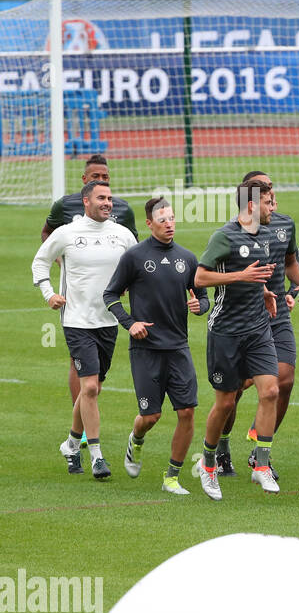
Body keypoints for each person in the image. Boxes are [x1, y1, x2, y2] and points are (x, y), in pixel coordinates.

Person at [102, 197, 210, 495]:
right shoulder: (134, 257)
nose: (169, 224)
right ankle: (135, 440)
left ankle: (172, 477)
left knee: (187, 412)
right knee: (151, 416)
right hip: (146, 349)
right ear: (149, 223)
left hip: (178, 348)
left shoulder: (187, 258)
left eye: (172, 218)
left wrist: (199, 305)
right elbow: (110, 295)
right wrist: (130, 323)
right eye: (162, 220)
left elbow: (203, 297)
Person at [32, 181, 136, 480]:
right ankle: (97, 457)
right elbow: (40, 261)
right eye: (101, 198)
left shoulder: (122, 234)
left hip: (108, 320)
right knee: (89, 387)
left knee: (95, 388)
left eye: (110, 198)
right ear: (86, 201)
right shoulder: (67, 233)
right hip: (76, 320)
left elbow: (139, 265)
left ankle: (70, 443)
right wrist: (49, 294)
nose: (107, 203)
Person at [218, 169, 299, 479]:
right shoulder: (233, 233)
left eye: (271, 186)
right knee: (232, 392)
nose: (271, 193)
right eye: (264, 189)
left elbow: (289, 262)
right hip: (243, 317)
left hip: (276, 316)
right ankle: (221, 444)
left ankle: (261, 452)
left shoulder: (283, 225)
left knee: (282, 381)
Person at [194, 178, 281, 499]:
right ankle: (208, 463)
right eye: (269, 201)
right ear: (250, 206)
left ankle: (261, 465)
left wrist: (264, 290)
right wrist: (240, 276)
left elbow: (253, 273)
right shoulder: (225, 236)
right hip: (226, 331)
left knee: (270, 390)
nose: (274, 207)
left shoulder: (267, 236)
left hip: (258, 328)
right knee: (226, 401)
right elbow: (200, 277)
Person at [40, 155, 139, 416]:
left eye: (105, 177)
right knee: (80, 363)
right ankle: (83, 430)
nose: (101, 181)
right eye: (95, 177)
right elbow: (47, 234)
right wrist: (64, 263)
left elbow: (135, 250)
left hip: (109, 302)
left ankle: (81, 421)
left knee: (96, 376)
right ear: (84, 180)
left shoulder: (123, 210)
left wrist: (126, 278)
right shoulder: (65, 206)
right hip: (76, 299)